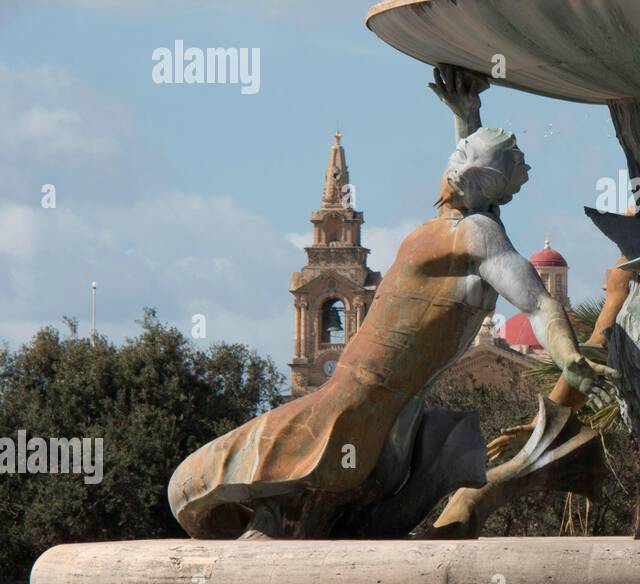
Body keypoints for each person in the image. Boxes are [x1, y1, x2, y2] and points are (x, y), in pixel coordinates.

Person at [169, 100, 612, 538]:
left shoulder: (467, 232)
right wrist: (467, 117)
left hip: (353, 418)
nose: (451, 167)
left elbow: (535, 299)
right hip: (373, 428)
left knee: (222, 499)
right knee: (276, 520)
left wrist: (567, 353)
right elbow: (524, 280)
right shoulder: (469, 229)